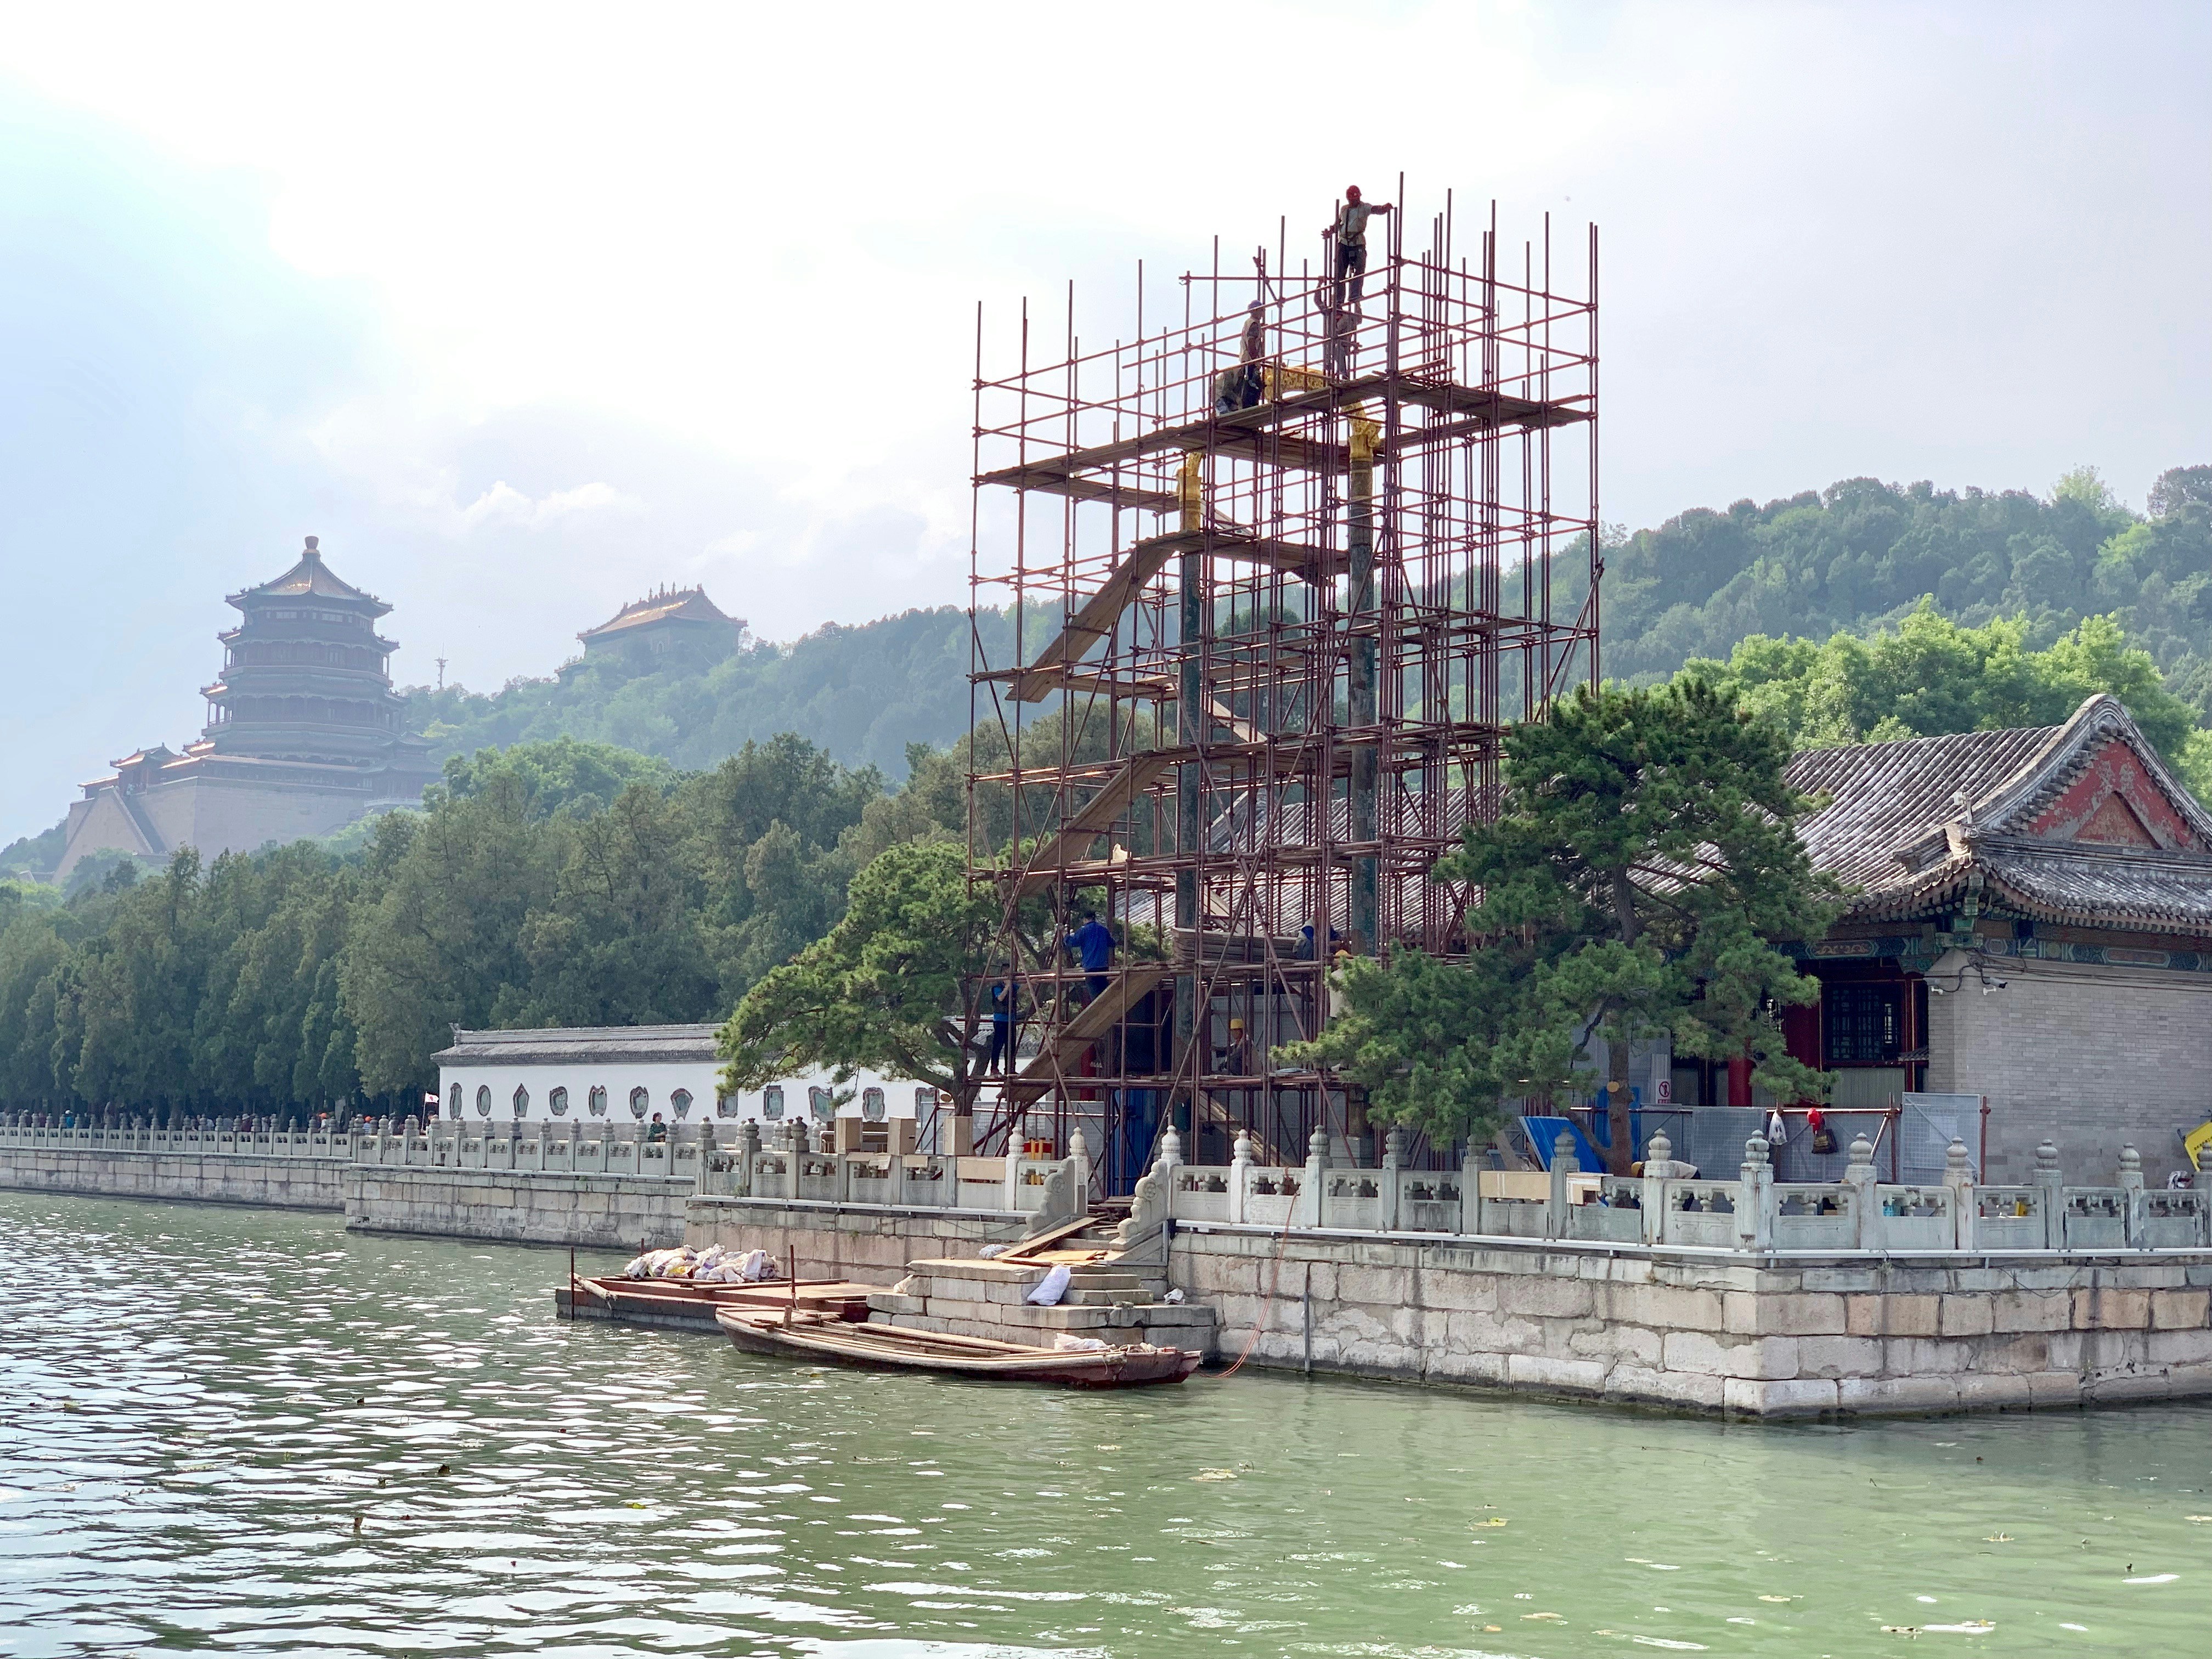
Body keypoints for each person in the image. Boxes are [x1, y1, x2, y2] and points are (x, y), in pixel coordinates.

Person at [1325, 185, 1392, 305]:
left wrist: (1384, 208)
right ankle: (1339, 300)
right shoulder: (1344, 209)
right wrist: (1330, 232)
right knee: (1340, 273)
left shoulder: (1364, 208)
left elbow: (1376, 209)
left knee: (1359, 268)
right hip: (1343, 243)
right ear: (1348, 198)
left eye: (1356, 198)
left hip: (1358, 243)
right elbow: (1338, 224)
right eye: (1352, 199)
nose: (1355, 201)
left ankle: (1354, 295)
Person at [1063, 910, 1116, 1006]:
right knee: (1103, 995)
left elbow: (1072, 943)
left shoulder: (1084, 930)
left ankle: (1098, 1016)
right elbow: (1112, 943)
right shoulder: (1104, 930)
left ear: (1085, 919)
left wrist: (1065, 935)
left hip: (1091, 968)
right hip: (1103, 968)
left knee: (1095, 998)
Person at [985, 978, 1023, 1075]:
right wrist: (1007, 987)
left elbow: (1022, 989)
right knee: (998, 1045)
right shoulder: (997, 988)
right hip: (1000, 1020)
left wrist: (1030, 982)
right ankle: (994, 1068)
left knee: (1011, 1046)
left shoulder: (1013, 987)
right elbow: (1000, 998)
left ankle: (1009, 1068)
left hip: (1011, 1020)